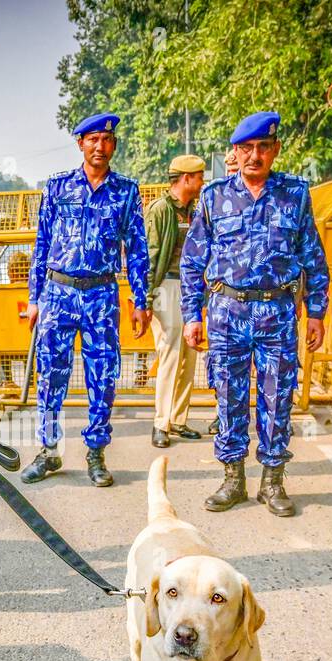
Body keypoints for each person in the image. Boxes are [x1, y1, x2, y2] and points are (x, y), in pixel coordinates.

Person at [181, 111, 328, 516]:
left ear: (275, 150)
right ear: (235, 152)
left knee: (276, 397)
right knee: (228, 395)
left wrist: (316, 311)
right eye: (246, 149)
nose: (254, 156)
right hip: (227, 311)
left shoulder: (295, 194)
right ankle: (232, 479)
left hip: (277, 312)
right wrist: (192, 314)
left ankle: (273, 481)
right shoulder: (213, 197)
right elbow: (193, 261)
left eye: (263, 147)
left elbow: (312, 256)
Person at [22, 112, 150, 487]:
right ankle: (47, 451)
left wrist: (140, 300)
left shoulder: (126, 191)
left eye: (106, 140)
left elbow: (137, 249)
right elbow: (41, 243)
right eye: (92, 139)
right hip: (58, 292)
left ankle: (95, 452)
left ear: (113, 145)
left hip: (101, 293)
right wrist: (35, 298)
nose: (100, 146)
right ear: (80, 144)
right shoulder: (58, 187)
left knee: (103, 375)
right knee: (50, 374)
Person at [146, 154, 206, 448]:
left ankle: (178, 419)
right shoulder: (160, 210)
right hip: (166, 285)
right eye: (199, 177)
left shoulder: (194, 210)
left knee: (188, 354)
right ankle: (161, 422)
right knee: (170, 352)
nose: (202, 182)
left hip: (191, 286)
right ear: (186, 179)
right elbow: (150, 255)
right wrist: (144, 298)